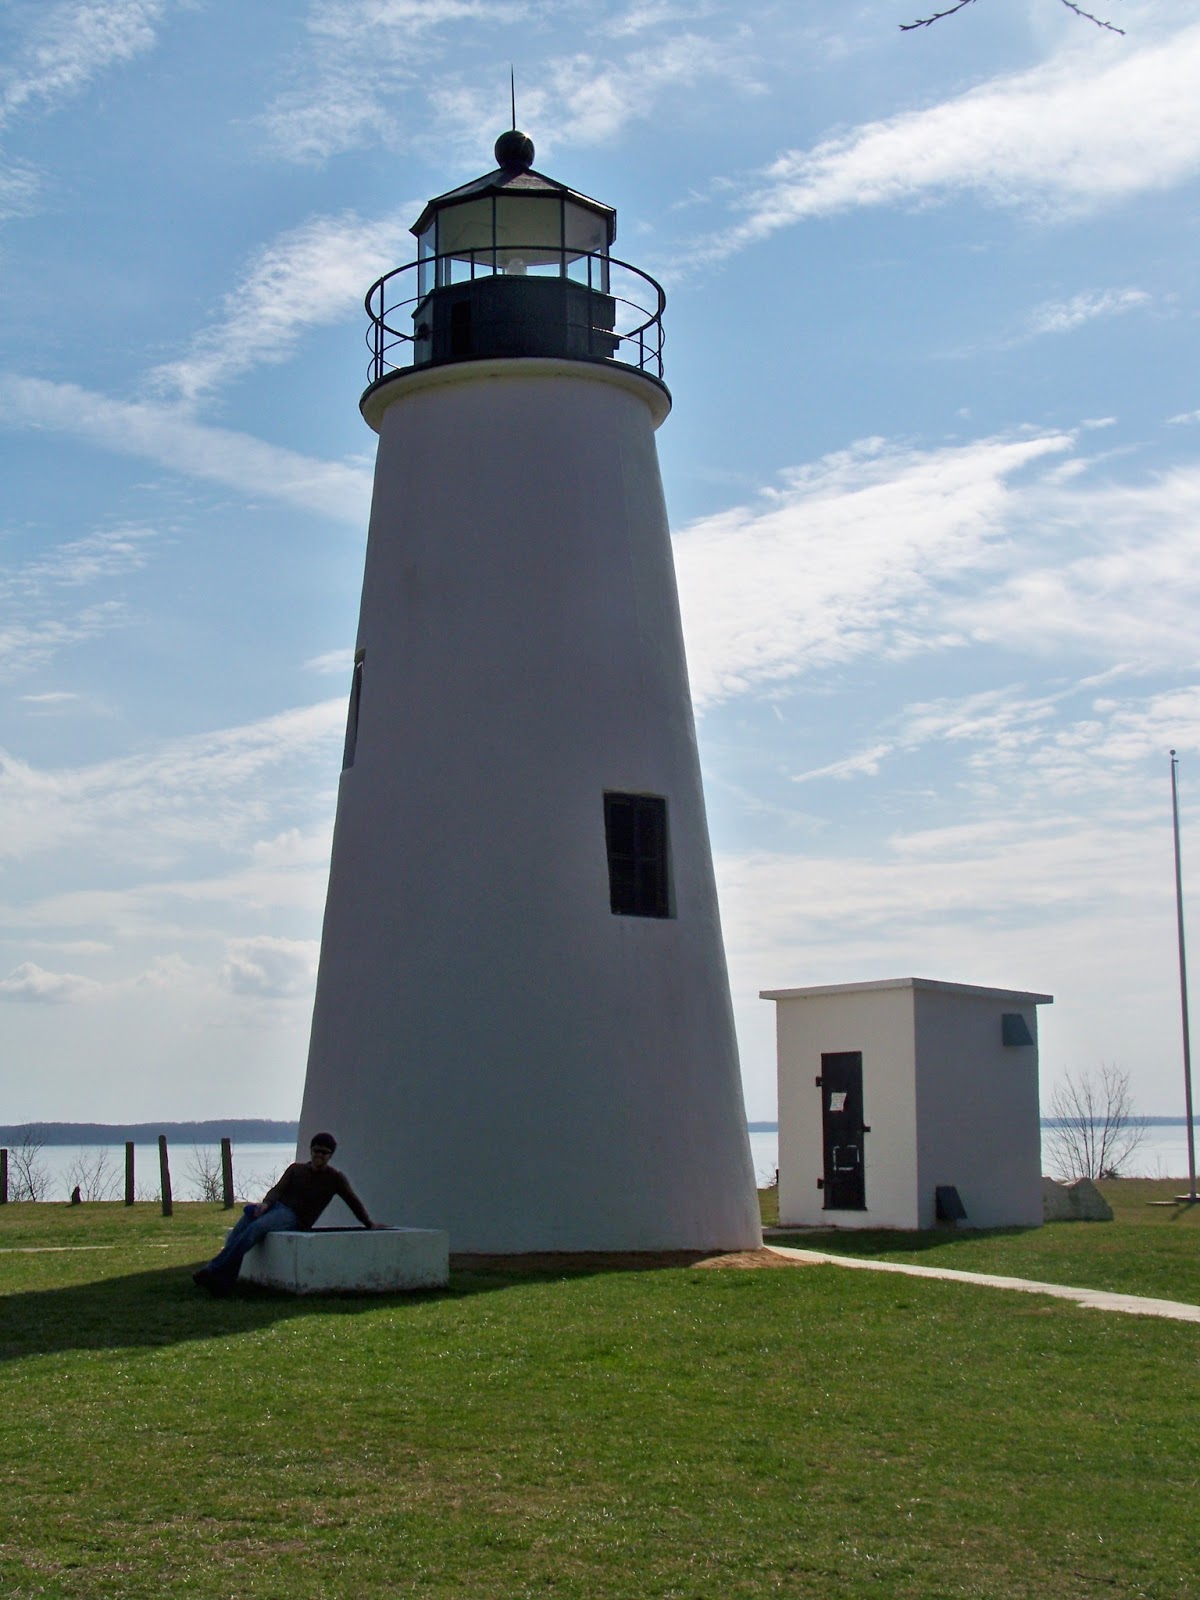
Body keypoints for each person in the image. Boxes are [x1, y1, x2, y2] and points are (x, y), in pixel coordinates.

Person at [192, 1132, 381, 1294]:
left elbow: (352, 1201)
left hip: (295, 1217)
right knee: (240, 1230)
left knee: (255, 1229)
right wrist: (265, 1204)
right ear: (311, 1150)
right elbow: (277, 1190)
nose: (319, 1156)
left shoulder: (335, 1179)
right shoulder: (295, 1169)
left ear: (330, 1156)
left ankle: (213, 1270)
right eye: (316, 1151)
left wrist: (368, 1223)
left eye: (324, 1153)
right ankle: (223, 1282)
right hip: (276, 1208)